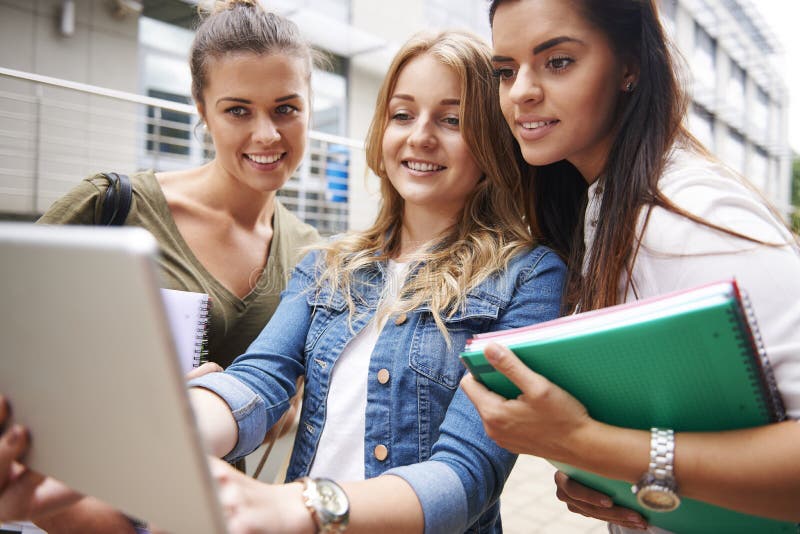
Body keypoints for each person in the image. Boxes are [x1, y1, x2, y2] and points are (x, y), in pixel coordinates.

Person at [0, 29, 568, 533]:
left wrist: (299, 507)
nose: (420, 136)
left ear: (491, 141)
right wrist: (147, 435)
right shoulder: (328, 264)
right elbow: (259, 380)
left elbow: (466, 475)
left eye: (451, 119)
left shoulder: (530, 275)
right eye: (402, 114)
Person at [460, 0, 800, 532]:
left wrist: (591, 446)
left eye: (558, 61)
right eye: (506, 70)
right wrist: (606, 473)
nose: (521, 90)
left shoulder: (693, 217)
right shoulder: (599, 205)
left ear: (630, 66)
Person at [14, 1, 319, 531]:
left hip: (207, 511)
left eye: (286, 108)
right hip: (76, 502)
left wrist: (269, 408)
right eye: (238, 110)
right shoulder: (114, 206)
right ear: (201, 109)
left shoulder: (312, 254)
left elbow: (279, 402)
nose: (267, 135)